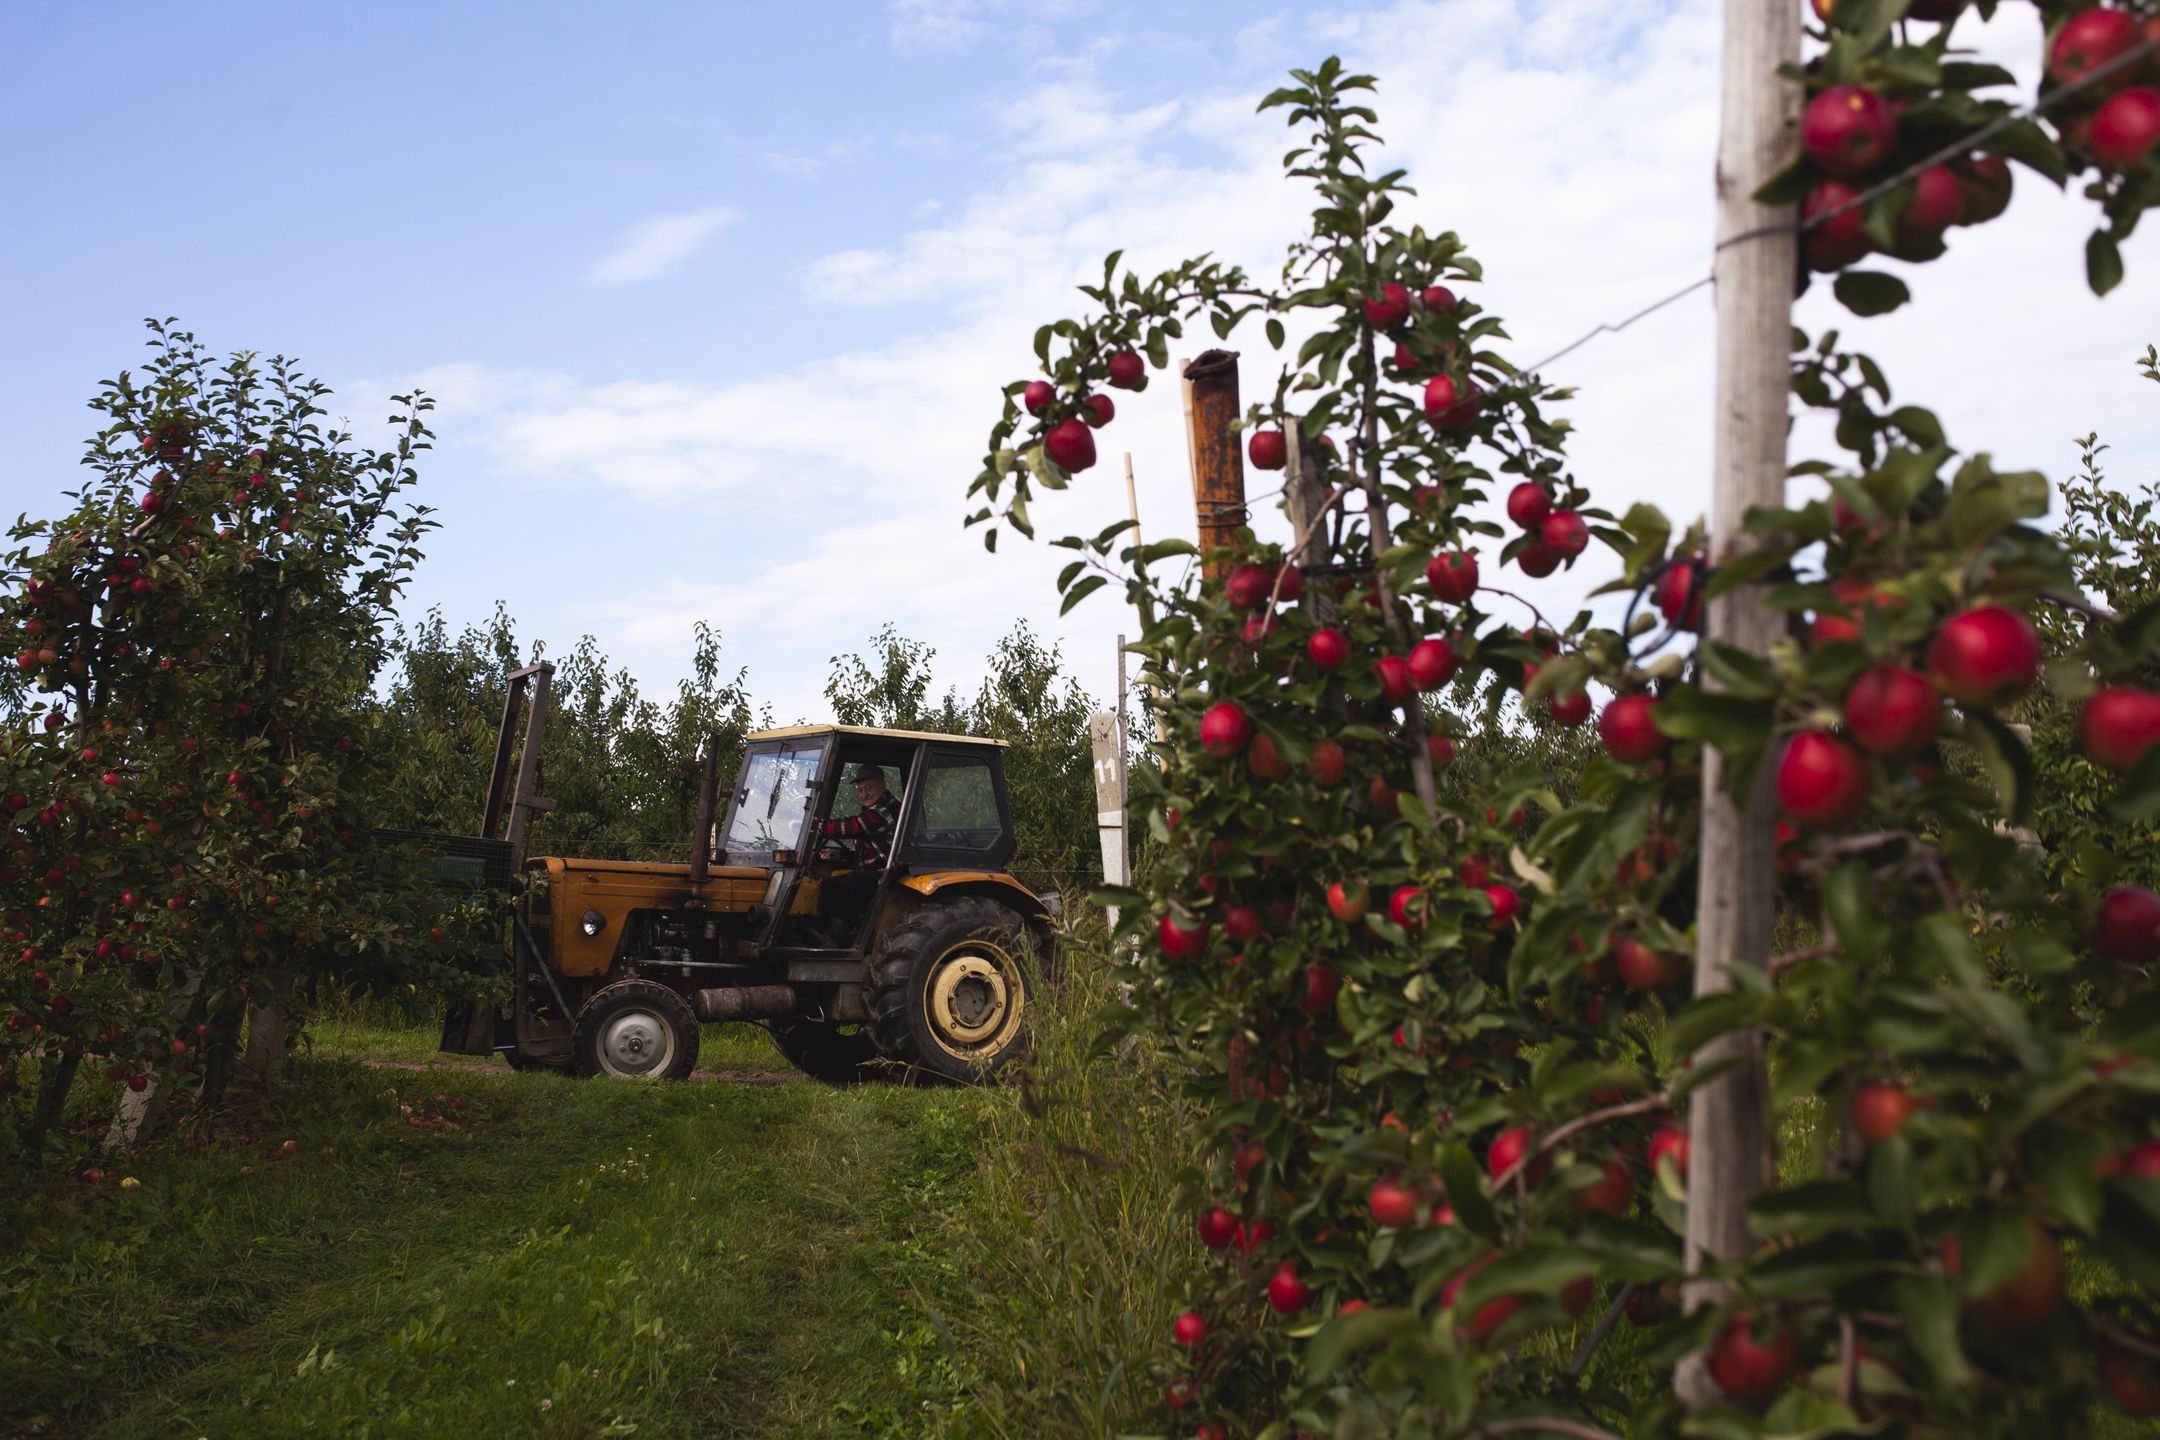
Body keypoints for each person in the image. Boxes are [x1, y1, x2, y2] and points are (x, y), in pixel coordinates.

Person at [817, 764, 900, 940]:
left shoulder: (886, 810)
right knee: (826, 884)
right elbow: (875, 851)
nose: (863, 794)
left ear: (883, 785)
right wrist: (841, 854)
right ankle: (828, 934)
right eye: (860, 790)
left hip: (891, 875)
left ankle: (836, 940)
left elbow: (854, 826)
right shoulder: (873, 812)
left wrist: (814, 825)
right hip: (877, 871)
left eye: (869, 788)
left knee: (855, 881)